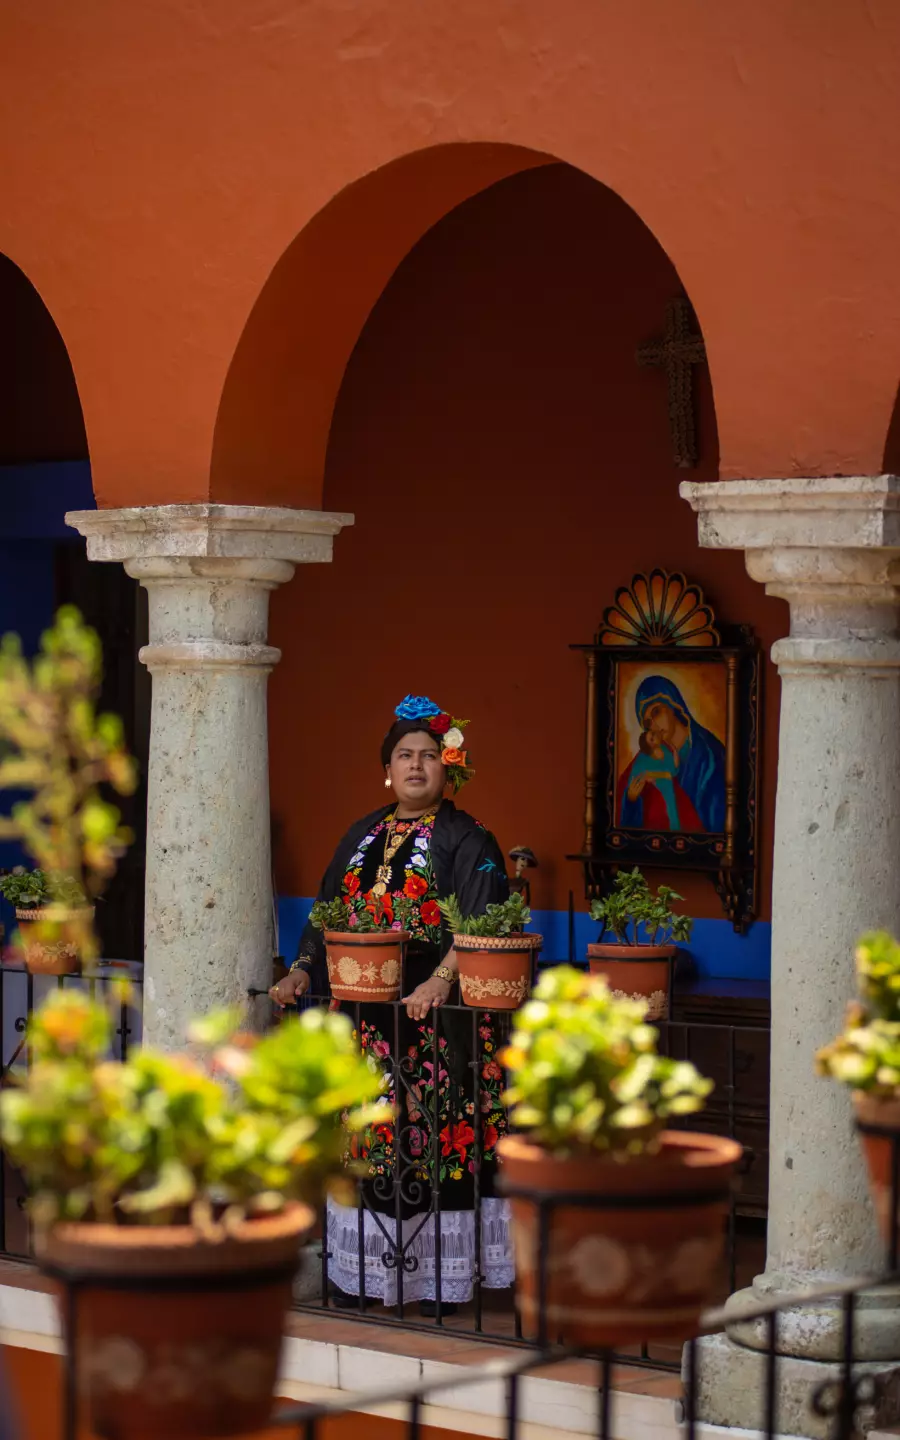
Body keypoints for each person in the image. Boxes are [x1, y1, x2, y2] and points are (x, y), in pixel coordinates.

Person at [270, 695, 514, 1315]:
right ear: (387, 769)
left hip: (437, 1024)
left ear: (446, 769)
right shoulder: (361, 835)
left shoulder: (470, 838)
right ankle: (367, 1275)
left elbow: (485, 922)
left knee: (430, 1138)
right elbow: (326, 913)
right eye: (403, 756)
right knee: (372, 1139)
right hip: (365, 1022)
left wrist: (441, 980)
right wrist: (301, 971)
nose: (415, 766)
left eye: (428, 756)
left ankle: (435, 1282)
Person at [617, 674, 725, 832]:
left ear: (674, 704)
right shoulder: (649, 757)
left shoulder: (711, 755)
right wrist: (632, 799)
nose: (653, 725)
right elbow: (625, 811)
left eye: (656, 712)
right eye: (647, 723)